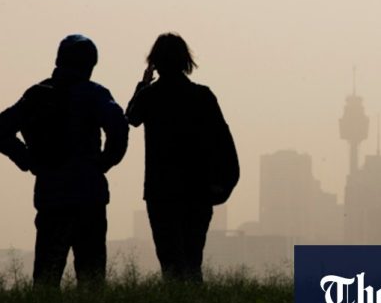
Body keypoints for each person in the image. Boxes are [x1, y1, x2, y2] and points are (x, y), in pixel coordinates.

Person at [0, 34, 129, 287]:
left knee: (46, 279)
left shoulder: (36, 95)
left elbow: (2, 128)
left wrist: (27, 160)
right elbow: (118, 126)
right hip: (89, 196)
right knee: (91, 280)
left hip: (51, 196)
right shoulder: (94, 94)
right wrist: (105, 162)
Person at [126, 33, 239, 282]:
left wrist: (143, 84)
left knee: (170, 261)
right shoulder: (202, 96)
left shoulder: (150, 96)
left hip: (161, 190)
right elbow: (223, 141)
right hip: (198, 190)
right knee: (192, 258)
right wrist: (224, 183)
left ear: (155, 62)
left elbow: (131, 117)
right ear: (185, 61)